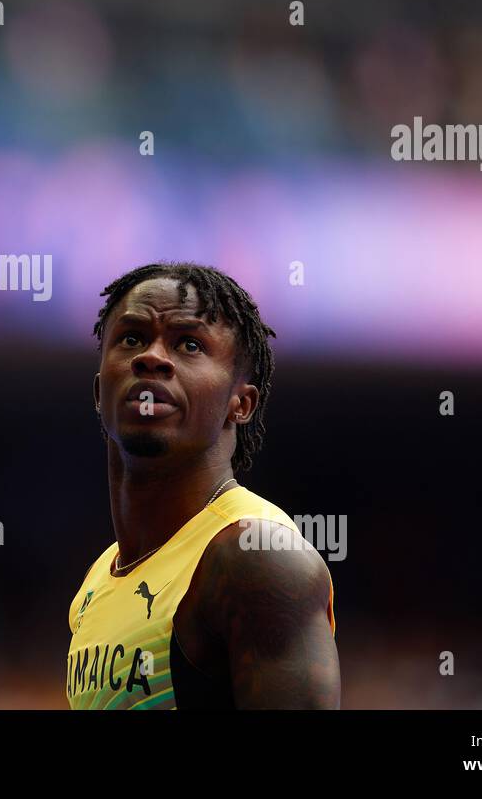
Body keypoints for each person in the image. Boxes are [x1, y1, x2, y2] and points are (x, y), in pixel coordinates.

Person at [67, 262, 339, 709]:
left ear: (242, 403)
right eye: (132, 337)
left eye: (189, 344)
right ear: (100, 391)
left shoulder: (258, 557)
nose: (151, 357)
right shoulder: (98, 581)